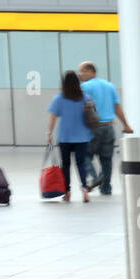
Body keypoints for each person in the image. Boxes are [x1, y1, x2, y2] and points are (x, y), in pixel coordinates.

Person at [76, 61, 133, 195]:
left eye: (82, 71)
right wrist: (126, 124)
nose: (80, 74)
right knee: (106, 160)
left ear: (91, 71)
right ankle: (106, 187)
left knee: (84, 155)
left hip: (91, 129)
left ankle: (95, 178)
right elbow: (117, 107)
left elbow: (80, 108)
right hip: (108, 128)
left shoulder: (84, 87)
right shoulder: (109, 86)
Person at [45, 70, 95, 203]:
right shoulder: (85, 97)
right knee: (81, 164)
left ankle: (67, 192)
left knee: (65, 165)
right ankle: (84, 188)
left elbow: (53, 118)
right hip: (82, 137)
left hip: (65, 137)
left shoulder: (59, 98)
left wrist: (49, 134)